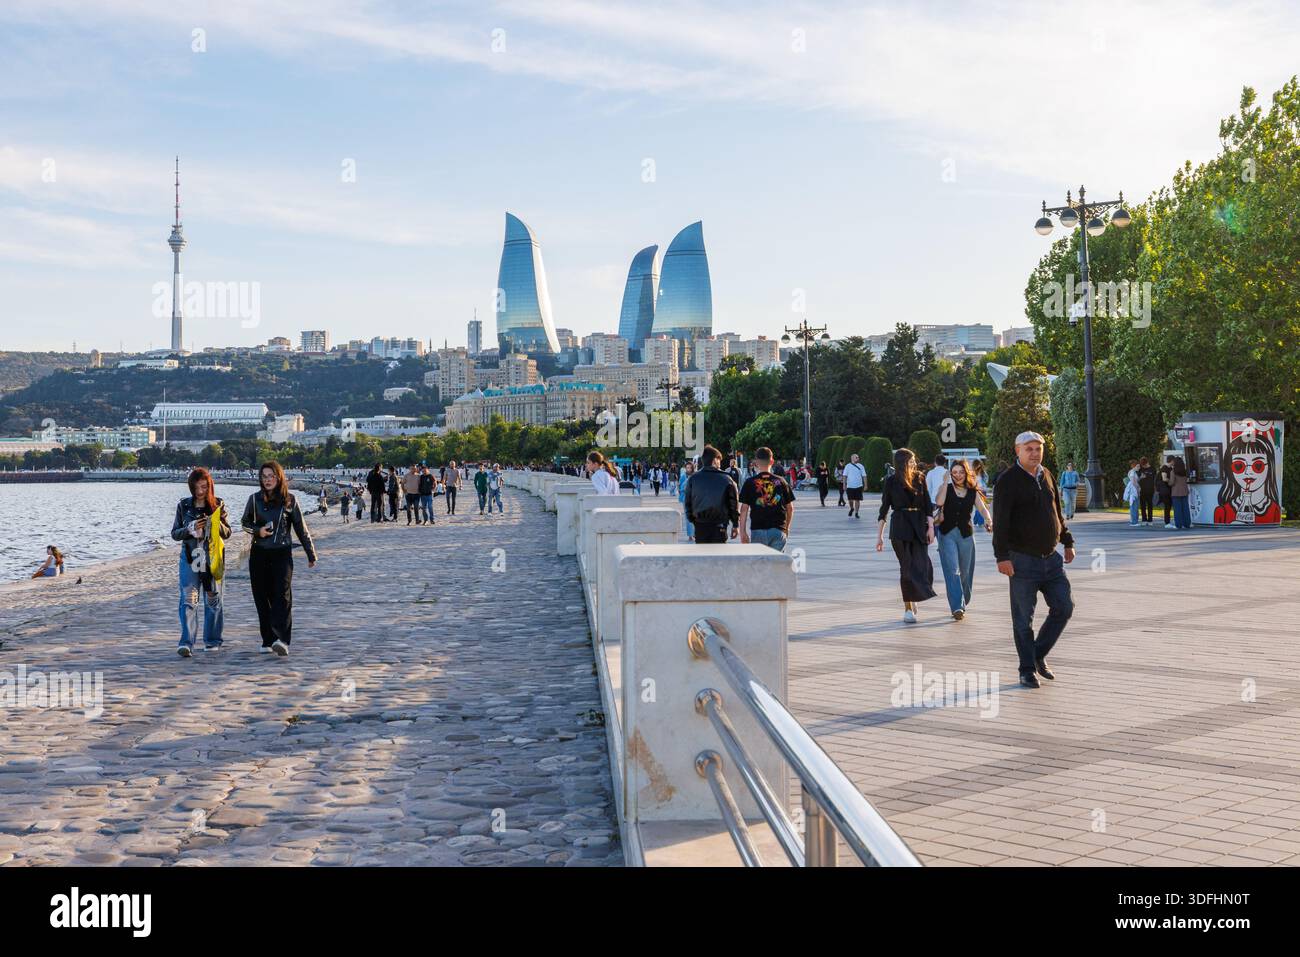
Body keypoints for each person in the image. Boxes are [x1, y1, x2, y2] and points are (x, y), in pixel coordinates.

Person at [992, 431, 1075, 689]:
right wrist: (1001, 557)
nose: (1034, 453)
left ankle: (1037, 654)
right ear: (1017, 450)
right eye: (1029, 448)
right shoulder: (1007, 481)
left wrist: (1067, 541)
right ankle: (1027, 669)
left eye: (1038, 448)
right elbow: (1001, 523)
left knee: (1064, 607)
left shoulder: (1046, 474)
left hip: (1051, 560)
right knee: (1022, 619)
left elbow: (1057, 512)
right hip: (1022, 561)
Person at [240, 461, 317, 658]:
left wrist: (310, 553)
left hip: (282, 553)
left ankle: (282, 640)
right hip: (258, 554)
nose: (267, 480)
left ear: (279, 477)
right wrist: (259, 531)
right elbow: (245, 524)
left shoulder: (290, 500)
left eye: (271, 476)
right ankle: (267, 639)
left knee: (282, 596)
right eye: (264, 477)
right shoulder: (254, 499)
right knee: (262, 598)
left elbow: (301, 528)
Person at [171, 466, 231, 656]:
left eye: (204, 487)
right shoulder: (184, 506)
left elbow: (228, 532)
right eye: (196, 487)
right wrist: (189, 528)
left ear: (210, 486)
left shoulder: (218, 504)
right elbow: (174, 534)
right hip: (190, 557)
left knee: (213, 599)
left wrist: (215, 523)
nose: (200, 491)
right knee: (189, 599)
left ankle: (213, 640)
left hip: (212, 558)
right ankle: (186, 642)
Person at [875, 448, 937, 623]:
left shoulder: (920, 478)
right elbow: (884, 510)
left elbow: (927, 506)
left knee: (924, 566)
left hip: (918, 525)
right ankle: (908, 607)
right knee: (906, 569)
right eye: (911, 461)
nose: (914, 463)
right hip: (900, 527)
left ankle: (914, 595)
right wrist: (879, 536)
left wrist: (930, 528)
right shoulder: (891, 482)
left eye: (914, 461)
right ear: (902, 462)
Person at [934, 459, 992, 620]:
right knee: (952, 570)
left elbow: (981, 507)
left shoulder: (972, 491)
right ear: (950, 474)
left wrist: (989, 520)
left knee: (965, 572)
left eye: (961, 472)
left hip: (966, 534)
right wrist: (945, 482)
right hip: (947, 534)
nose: (958, 475)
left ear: (966, 473)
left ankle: (962, 600)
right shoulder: (946, 488)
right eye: (954, 473)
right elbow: (939, 502)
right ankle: (957, 607)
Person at [738, 447, 795, 552]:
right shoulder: (781, 481)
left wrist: (742, 532)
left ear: (756, 463)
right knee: (776, 565)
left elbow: (744, 509)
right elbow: (790, 508)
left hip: (758, 529)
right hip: (778, 530)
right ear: (772, 461)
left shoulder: (750, 483)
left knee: (760, 565)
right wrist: (786, 528)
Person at [685, 445, 740, 544]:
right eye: (719, 460)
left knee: (701, 556)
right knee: (718, 557)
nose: (720, 463)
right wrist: (735, 524)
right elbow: (733, 504)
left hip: (700, 525)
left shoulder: (693, 479)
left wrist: (694, 521)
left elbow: (687, 503)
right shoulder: (727, 479)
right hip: (720, 526)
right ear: (715, 460)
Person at [842, 453, 867, 518]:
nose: (858, 458)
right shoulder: (847, 466)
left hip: (859, 486)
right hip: (850, 486)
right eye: (856, 457)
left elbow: (864, 476)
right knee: (850, 500)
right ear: (852, 458)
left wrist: (865, 485)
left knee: (857, 500)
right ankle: (852, 508)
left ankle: (856, 513)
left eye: (858, 457)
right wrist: (844, 485)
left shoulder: (861, 466)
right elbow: (844, 476)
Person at [1170, 456, 1192, 529]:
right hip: (1185, 491)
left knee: (1177, 509)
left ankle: (1178, 525)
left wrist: (1168, 481)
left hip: (1176, 492)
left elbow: (1172, 482)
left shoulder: (1173, 471)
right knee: (1186, 508)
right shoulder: (1185, 471)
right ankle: (1187, 524)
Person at [679, 461, 695, 541]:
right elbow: (680, 487)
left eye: (690, 467)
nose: (688, 469)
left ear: (692, 468)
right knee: (688, 517)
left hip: (694, 498)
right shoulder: (683, 476)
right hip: (685, 498)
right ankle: (690, 535)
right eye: (687, 467)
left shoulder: (695, 476)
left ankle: (695, 532)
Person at [1137, 456, 1156, 526]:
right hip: (1142, 490)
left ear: (1147, 463)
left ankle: (1150, 520)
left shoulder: (1152, 469)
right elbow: (1137, 479)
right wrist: (1141, 477)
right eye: (1142, 465)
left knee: (1150, 505)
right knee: (1143, 505)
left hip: (1150, 490)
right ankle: (1144, 519)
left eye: (1144, 465)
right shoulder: (1140, 469)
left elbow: (1154, 478)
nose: (1144, 467)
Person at [1157, 458, 1174, 528]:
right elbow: (1164, 478)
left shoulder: (1170, 468)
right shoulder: (1164, 468)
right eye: (1174, 461)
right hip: (1164, 490)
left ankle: (1168, 522)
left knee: (1169, 506)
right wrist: (1171, 481)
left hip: (1167, 489)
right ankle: (1167, 523)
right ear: (1171, 461)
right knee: (1167, 506)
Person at [1124, 460, 1141, 526]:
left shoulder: (1133, 472)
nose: (1139, 467)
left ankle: (1134, 521)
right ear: (1134, 466)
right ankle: (1134, 522)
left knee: (1135, 506)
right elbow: (1134, 482)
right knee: (1134, 506)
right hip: (1133, 491)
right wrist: (1138, 488)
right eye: (1138, 466)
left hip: (1134, 490)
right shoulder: (1132, 472)